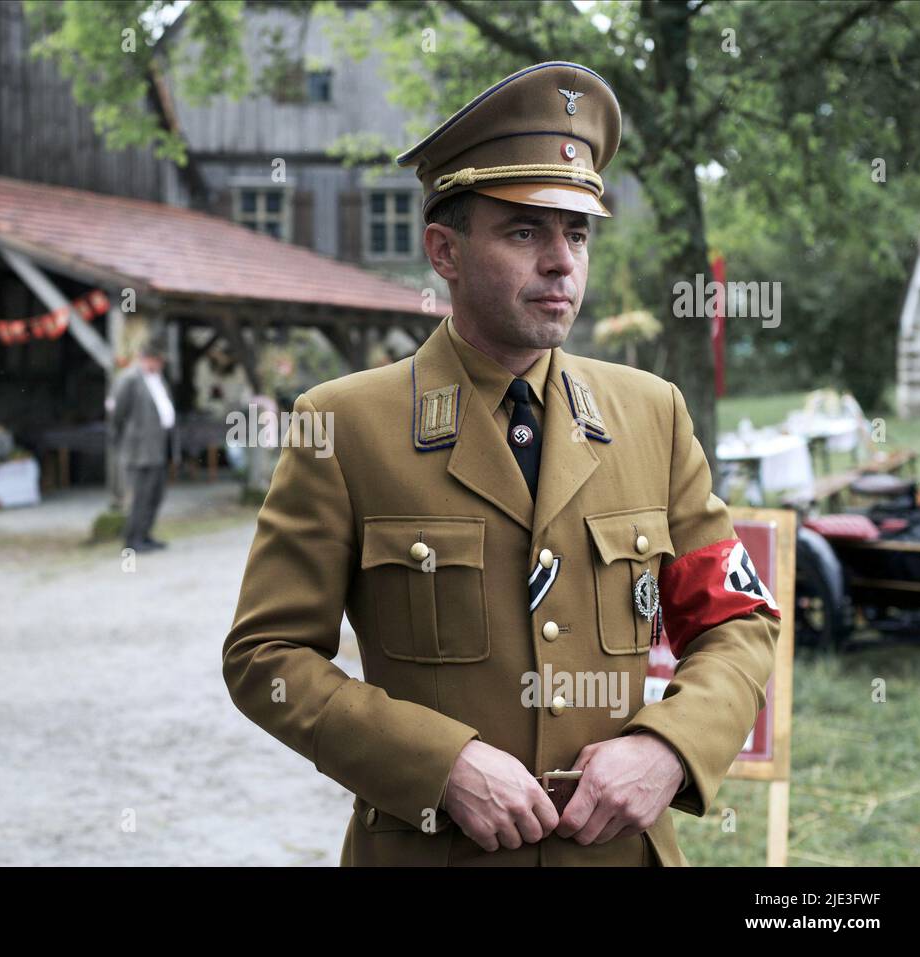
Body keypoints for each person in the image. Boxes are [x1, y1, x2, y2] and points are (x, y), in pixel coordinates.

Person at [221, 61, 781, 866]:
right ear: (444, 250)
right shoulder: (344, 424)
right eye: (526, 231)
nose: (562, 262)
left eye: (578, 232)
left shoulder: (651, 414)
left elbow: (735, 618)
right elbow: (265, 657)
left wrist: (669, 744)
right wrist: (436, 763)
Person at [110, 339, 176, 553]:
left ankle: (146, 534)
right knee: (140, 496)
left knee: (156, 494)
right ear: (145, 359)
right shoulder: (129, 379)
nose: (158, 365)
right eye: (156, 360)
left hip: (158, 446)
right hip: (139, 449)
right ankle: (132, 540)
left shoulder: (158, 379)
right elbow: (117, 414)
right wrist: (124, 440)